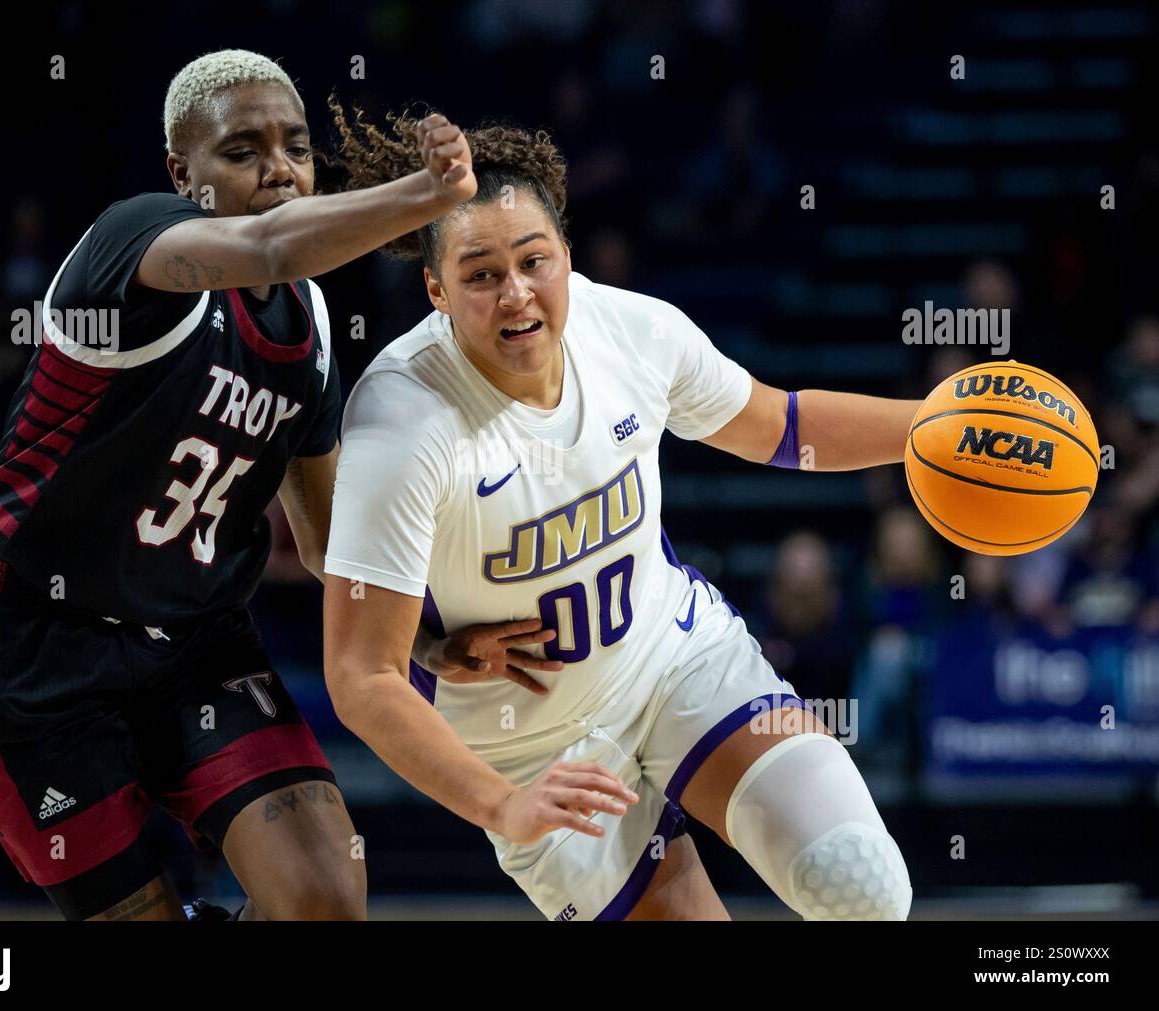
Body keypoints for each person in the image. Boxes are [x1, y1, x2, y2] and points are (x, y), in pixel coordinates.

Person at [0, 49, 498, 921]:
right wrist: (429, 194)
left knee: (327, 900)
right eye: (242, 151)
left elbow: (327, 540)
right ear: (180, 174)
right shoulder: (131, 242)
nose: (280, 169)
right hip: (32, 642)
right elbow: (270, 241)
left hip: (195, 642)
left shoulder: (307, 318)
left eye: (297, 148)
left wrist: (423, 640)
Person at [321, 107, 921, 920]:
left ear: (567, 254)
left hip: (673, 660)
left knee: (858, 882)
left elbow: (783, 427)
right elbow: (362, 675)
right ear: (436, 289)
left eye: (534, 259)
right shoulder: (402, 419)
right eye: (481, 274)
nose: (516, 292)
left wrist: (932, 428)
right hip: (526, 747)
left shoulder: (632, 330)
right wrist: (502, 803)